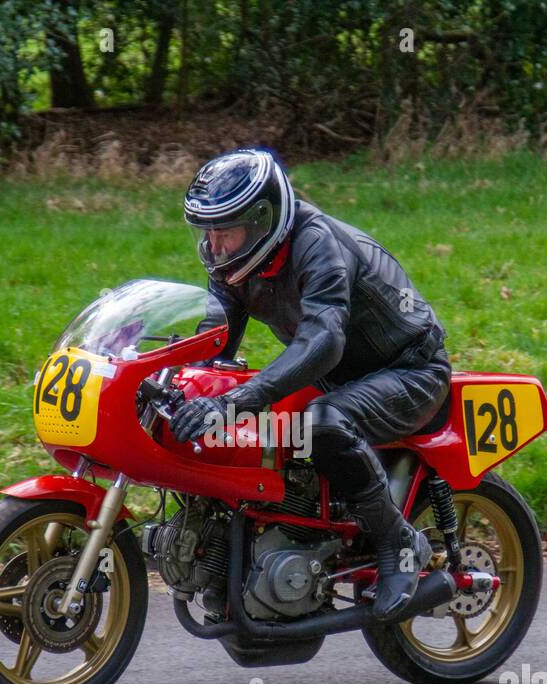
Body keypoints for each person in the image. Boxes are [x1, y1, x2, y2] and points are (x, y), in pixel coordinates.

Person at [171, 148, 452, 618]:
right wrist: (163, 379)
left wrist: (239, 400)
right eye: (209, 233)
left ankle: (398, 541)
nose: (215, 246)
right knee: (256, 434)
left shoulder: (317, 243)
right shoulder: (236, 263)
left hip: (410, 370)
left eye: (226, 232)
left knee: (320, 423)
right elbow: (212, 343)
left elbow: (324, 340)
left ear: (262, 221)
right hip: (338, 375)